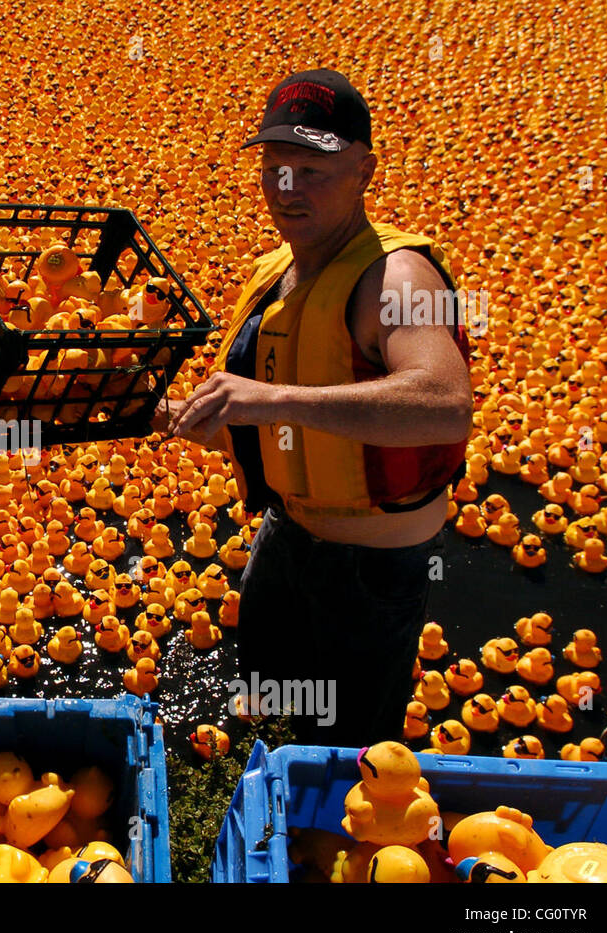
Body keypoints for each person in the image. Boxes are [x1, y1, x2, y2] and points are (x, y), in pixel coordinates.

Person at [152, 69, 472, 747]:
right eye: (274, 167)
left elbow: (444, 404)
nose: (287, 187)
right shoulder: (282, 271)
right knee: (271, 707)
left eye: (312, 167)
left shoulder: (397, 277)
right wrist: (151, 411)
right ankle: (270, 825)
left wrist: (276, 400)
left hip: (367, 573)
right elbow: (264, 420)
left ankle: (334, 842)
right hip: (288, 537)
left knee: (349, 747)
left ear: (364, 169)